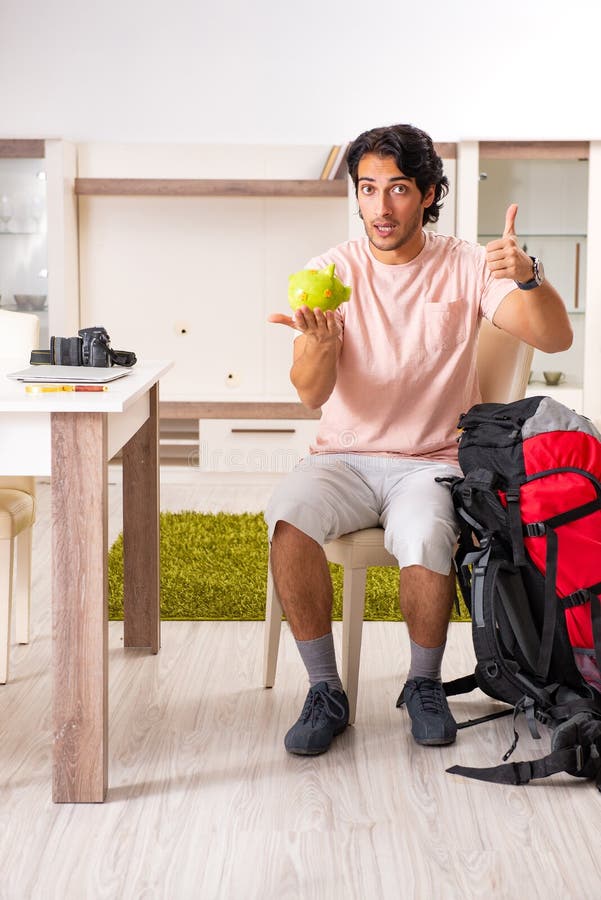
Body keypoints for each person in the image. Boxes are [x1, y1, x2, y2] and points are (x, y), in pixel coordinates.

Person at [265, 123, 573, 756]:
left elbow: (555, 339)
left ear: (429, 193)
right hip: (342, 458)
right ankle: (325, 691)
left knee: (429, 533)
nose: (381, 207)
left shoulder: (465, 263)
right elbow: (310, 395)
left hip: (431, 461)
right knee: (289, 519)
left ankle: (424, 685)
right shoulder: (330, 271)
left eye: (399, 188)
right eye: (368, 188)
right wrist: (318, 346)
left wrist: (529, 276)